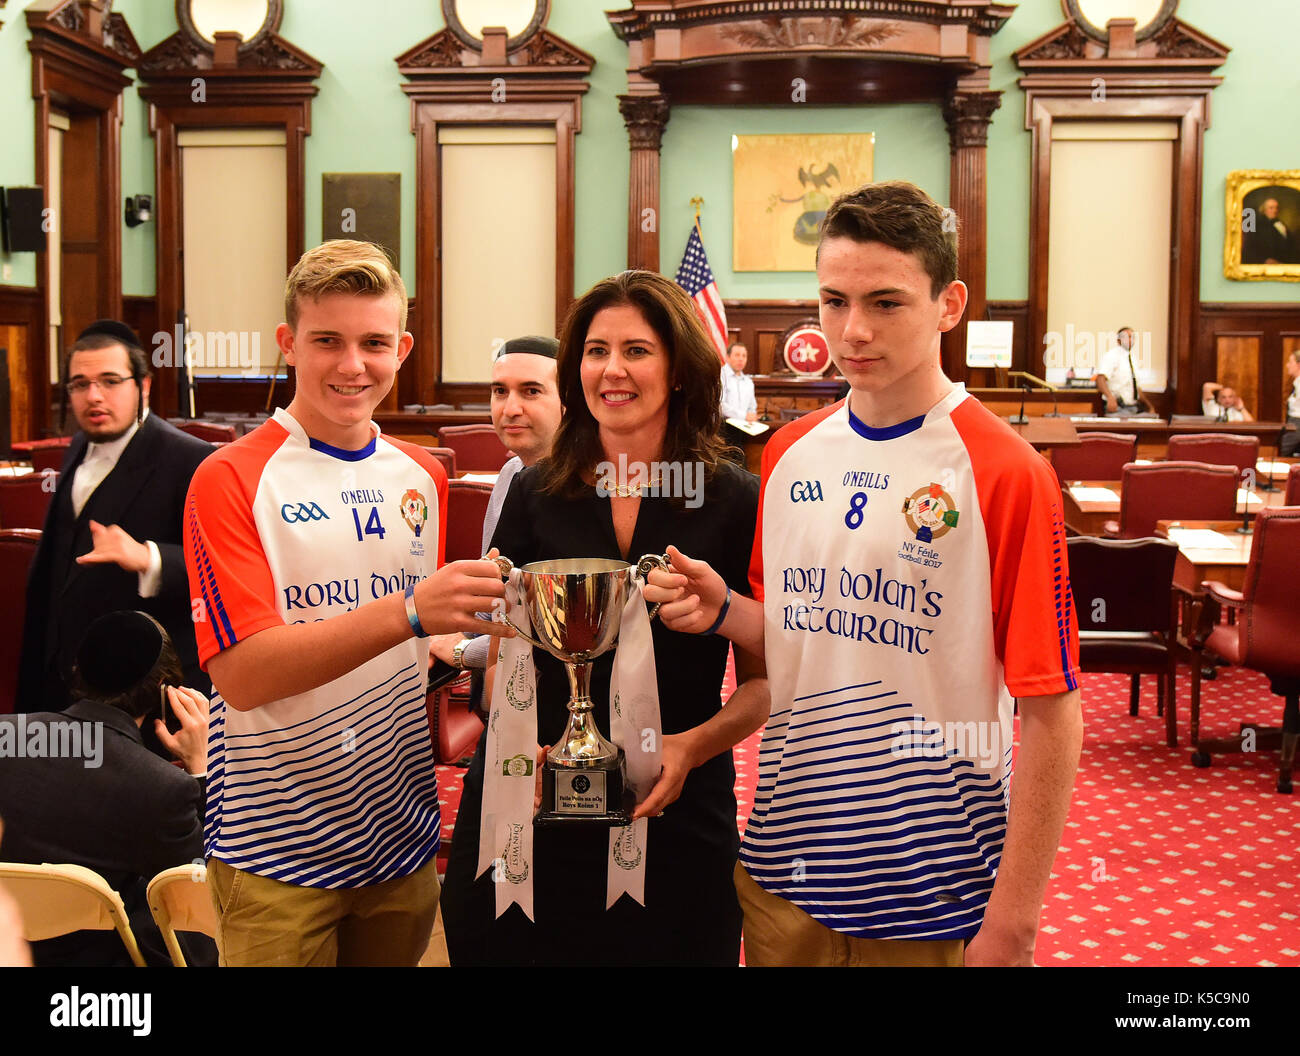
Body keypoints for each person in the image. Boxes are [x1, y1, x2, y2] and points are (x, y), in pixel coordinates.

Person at [646, 180, 1083, 967]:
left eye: (886, 303)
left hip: (933, 887)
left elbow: (1052, 709)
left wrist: (1015, 916)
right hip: (784, 870)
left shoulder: (1006, 471)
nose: (853, 330)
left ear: (948, 305)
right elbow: (793, 641)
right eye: (834, 301)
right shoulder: (786, 453)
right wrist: (725, 612)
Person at [182, 239, 511, 967]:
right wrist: (413, 611)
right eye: (326, 340)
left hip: (399, 837)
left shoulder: (422, 475)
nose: (352, 365)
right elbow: (243, 675)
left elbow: (409, 645)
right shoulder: (229, 478)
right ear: (287, 345)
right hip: (275, 851)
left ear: (403, 348)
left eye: (373, 342)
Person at [439, 270, 769, 966]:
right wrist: (516, 755)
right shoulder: (536, 489)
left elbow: (764, 685)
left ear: (679, 369)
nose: (611, 370)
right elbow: (502, 664)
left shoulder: (734, 497)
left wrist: (693, 748)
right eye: (595, 351)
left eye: (637, 351)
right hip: (532, 797)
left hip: (674, 799)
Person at [17, 321, 213, 714]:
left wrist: (150, 558)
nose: (94, 396)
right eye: (79, 383)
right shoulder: (77, 447)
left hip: (142, 697)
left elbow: (222, 574)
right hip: (64, 688)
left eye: (110, 381)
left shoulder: (192, 459)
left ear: (143, 386)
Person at [0, 611, 213, 967]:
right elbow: (200, 898)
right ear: (163, 692)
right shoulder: (163, 788)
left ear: (77, 672)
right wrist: (202, 771)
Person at [429, 335, 562, 680]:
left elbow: (548, 636)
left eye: (531, 391)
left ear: (569, 402)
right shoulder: (510, 473)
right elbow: (493, 599)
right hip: (493, 687)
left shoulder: (588, 490)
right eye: (500, 391)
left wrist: (461, 652)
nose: (510, 408)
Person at [1094, 327, 1151, 416]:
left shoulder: (1133, 360)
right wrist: (1110, 397)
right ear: (1119, 340)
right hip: (1118, 408)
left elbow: (1136, 387)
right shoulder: (1111, 356)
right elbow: (1100, 379)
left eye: (1132, 337)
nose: (1130, 339)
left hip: (1133, 408)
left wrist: (1149, 406)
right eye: (1126, 337)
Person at [1244, 197, 1298, 265]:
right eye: (1271, 208)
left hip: (1285, 264)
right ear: (1264, 210)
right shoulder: (1257, 226)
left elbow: (1290, 244)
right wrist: (1265, 260)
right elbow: (1250, 249)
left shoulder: (1281, 224)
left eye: (1277, 208)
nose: (1275, 210)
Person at [720, 342, 758, 424]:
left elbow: (752, 407)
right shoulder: (720, 376)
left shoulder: (748, 382)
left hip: (745, 427)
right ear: (728, 357)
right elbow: (719, 405)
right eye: (737, 355)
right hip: (724, 425)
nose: (741, 359)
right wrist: (744, 416)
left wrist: (752, 416)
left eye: (744, 356)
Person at [1282, 350, 1300, 457]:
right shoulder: (1297, 383)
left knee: (1279, 452)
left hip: (1297, 424)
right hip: (1293, 423)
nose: (1287, 365)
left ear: (1298, 364)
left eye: (1290, 362)